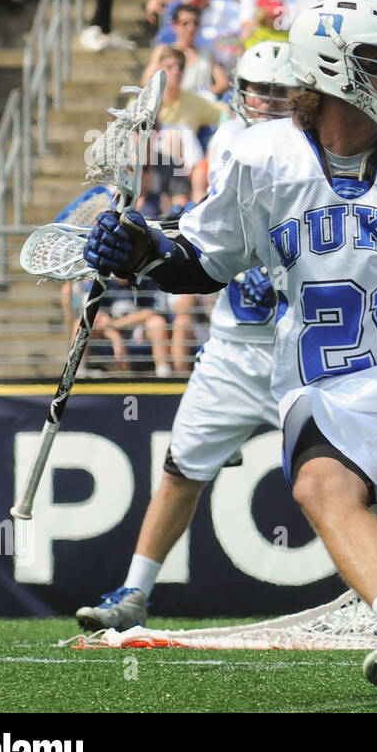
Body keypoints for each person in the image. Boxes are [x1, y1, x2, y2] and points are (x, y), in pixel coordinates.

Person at [82, 0, 377, 695]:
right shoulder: (264, 158)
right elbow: (203, 259)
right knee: (319, 484)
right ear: (332, 75)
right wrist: (140, 248)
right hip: (326, 375)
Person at [76, 43, 305, 632]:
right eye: (262, 91)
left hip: (304, 348)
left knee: (363, 471)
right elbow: (203, 228)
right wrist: (144, 238)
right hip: (232, 346)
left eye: (283, 93)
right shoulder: (227, 141)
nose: (272, 104)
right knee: (182, 467)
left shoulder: (312, 149)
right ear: (240, 92)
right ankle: (134, 592)